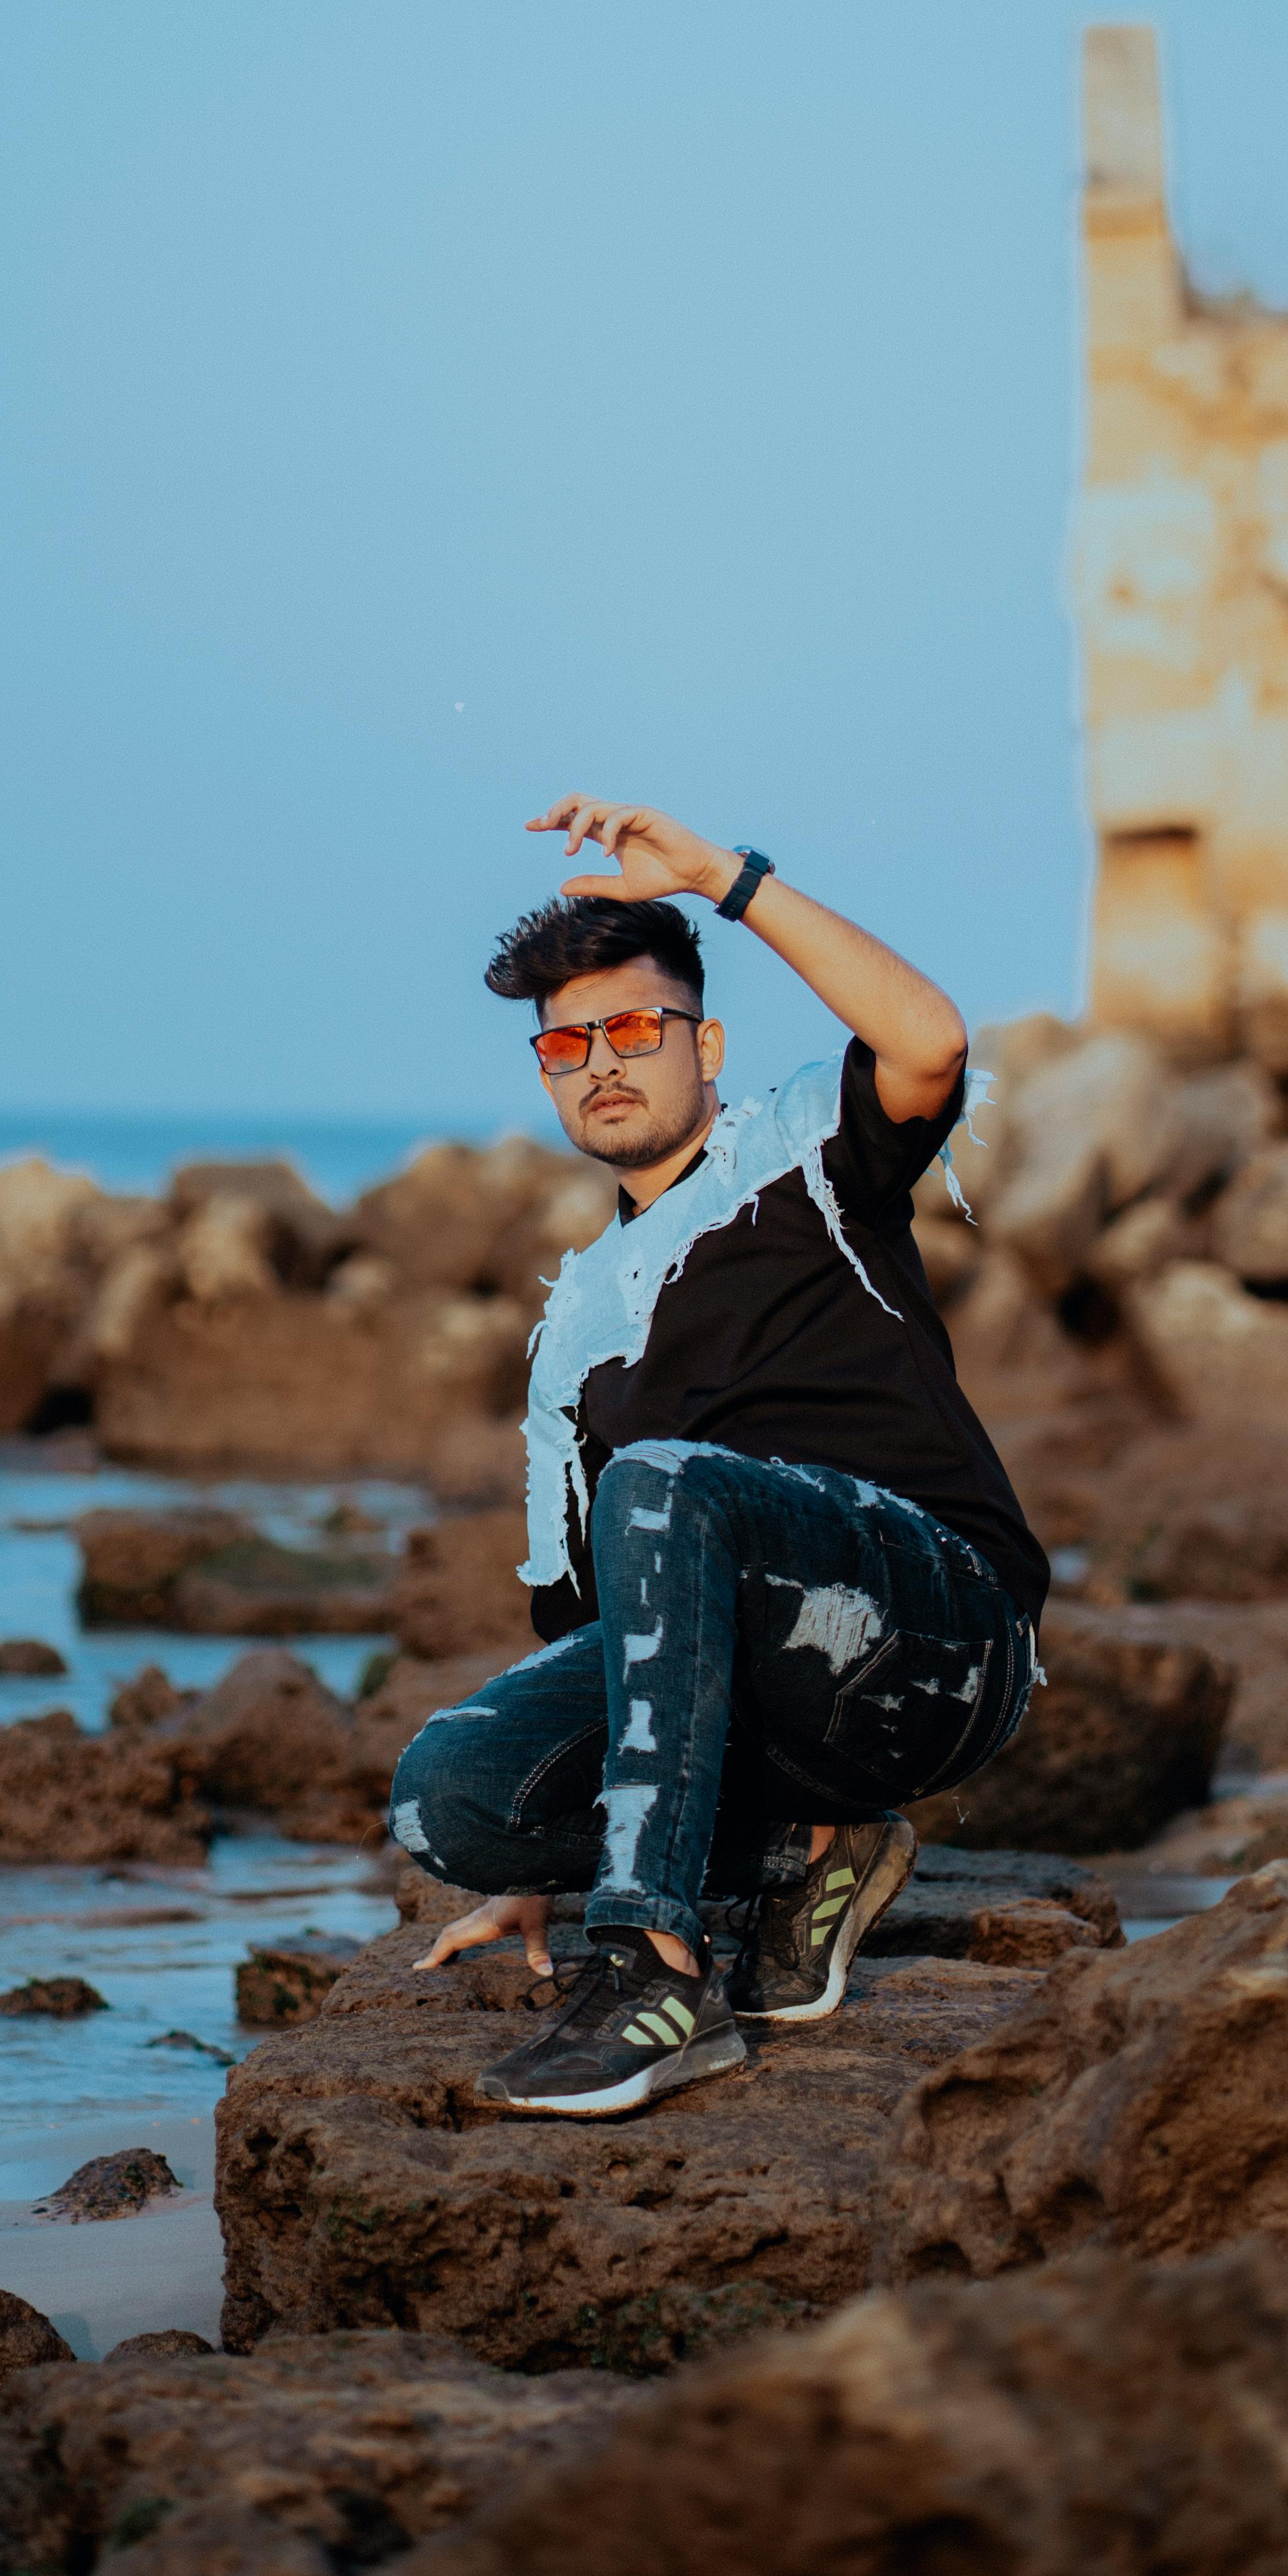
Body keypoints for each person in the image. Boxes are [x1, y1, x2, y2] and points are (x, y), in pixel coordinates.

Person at [388, 793, 1047, 2118]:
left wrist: (718, 877)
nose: (602, 1063)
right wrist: (529, 1848)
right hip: (768, 1715)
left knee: (666, 1481)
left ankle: (652, 1974)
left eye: (635, 1030)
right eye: (566, 1044)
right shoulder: (574, 1331)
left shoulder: (800, 1156)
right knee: (441, 1803)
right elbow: (596, 1626)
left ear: (705, 1043)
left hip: (939, 1641)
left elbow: (927, 1042)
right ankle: (817, 1847)